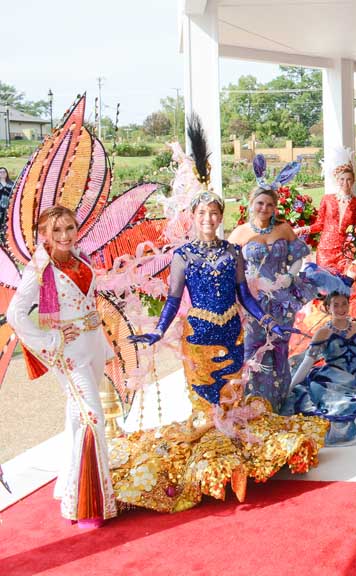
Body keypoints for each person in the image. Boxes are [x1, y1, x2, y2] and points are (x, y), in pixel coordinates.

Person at [121, 180, 327, 513]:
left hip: (233, 337)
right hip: (199, 342)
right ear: (193, 216)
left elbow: (245, 295)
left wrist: (270, 322)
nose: (209, 218)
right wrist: (158, 332)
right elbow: (173, 301)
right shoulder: (182, 256)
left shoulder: (233, 252)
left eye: (214, 213)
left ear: (221, 217)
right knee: (207, 412)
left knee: (232, 407)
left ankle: (236, 468)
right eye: (203, 212)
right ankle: (213, 471)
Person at [7, 206, 117, 527]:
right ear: (45, 235)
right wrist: (50, 339)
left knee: (76, 416)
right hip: (69, 353)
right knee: (93, 419)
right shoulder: (40, 268)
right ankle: (87, 504)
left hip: (94, 346)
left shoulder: (81, 257)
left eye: (69, 228)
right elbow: (16, 314)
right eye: (57, 231)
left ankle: (69, 485)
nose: (65, 236)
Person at [229, 186, 317, 408]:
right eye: (260, 203)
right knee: (252, 349)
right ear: (251, 203)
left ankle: (277, 401)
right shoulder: (239, 233)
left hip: (281, 300)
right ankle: (251, 402)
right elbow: (228, 267)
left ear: (275, 207)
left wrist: (290, 275)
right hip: (252, 301)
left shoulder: (283, 229)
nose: (264, 208)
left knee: (279, 347)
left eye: (269, 204)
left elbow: (299, 256)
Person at [283, 276, 356, 446]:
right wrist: (291, 387)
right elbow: (307, 363)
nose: (341, 308)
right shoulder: (323, 332)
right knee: (341, 407)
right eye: (335, 305)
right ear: (328, 307)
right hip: (332, 380)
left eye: (344, 303)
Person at [311, 148, 356, 273]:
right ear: (337, 180)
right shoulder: (327, 199)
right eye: (342, 179)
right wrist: (300, 230)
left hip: (344, 251)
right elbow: (319, 225)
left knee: (343, 286)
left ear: (353, 180)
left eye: (349, 179)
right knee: (324, 287)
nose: (345, 182)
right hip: (325, 249)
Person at [0, 167, 14, 234]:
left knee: (8, 224)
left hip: (9, 207)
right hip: (0, 208)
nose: (2, 173)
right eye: (1, 172)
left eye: (4, 172)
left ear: (6, 173)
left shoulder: (12, 183)